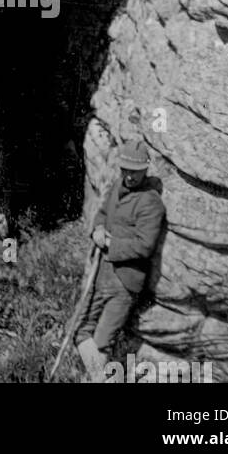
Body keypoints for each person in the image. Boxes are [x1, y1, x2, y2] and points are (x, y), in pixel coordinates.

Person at [75, 138, 167, 382]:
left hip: (125, 282)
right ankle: (101, 377)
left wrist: (110, 243)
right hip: (100, 273)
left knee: (102, 341)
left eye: (135, 171)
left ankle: (101, 378)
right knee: (77, 329)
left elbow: (144, 245)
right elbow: (103, 213)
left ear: (145, 170)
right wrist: (97, 229)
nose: (129, 176)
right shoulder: (117, 186)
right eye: (126, 169)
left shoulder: (150, 202)